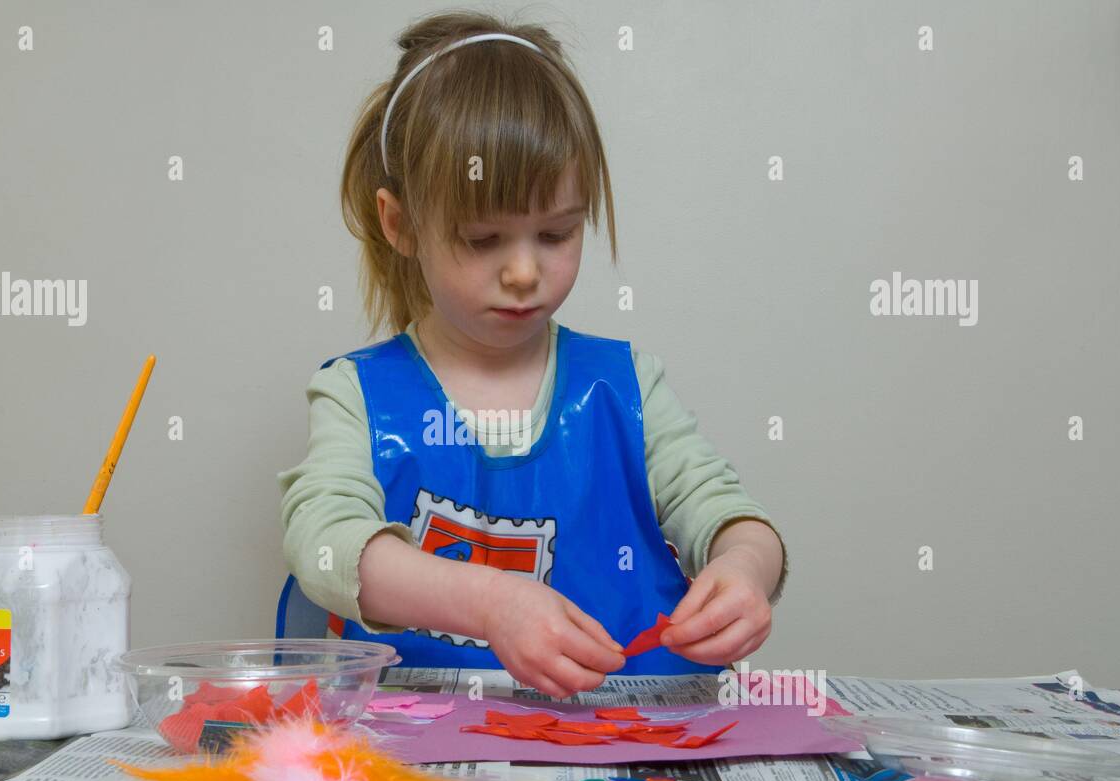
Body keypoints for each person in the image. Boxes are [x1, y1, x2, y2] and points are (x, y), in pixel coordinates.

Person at [278, 11, 787, 698]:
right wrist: (491, 602)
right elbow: (325, 546)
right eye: (484, 239)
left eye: (556, 232)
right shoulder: (356, 395)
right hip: (422, 752)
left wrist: (746, 569)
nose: (524, 271)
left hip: (627, 737)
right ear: (399, 224)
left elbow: (723, 508)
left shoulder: (623, 385)